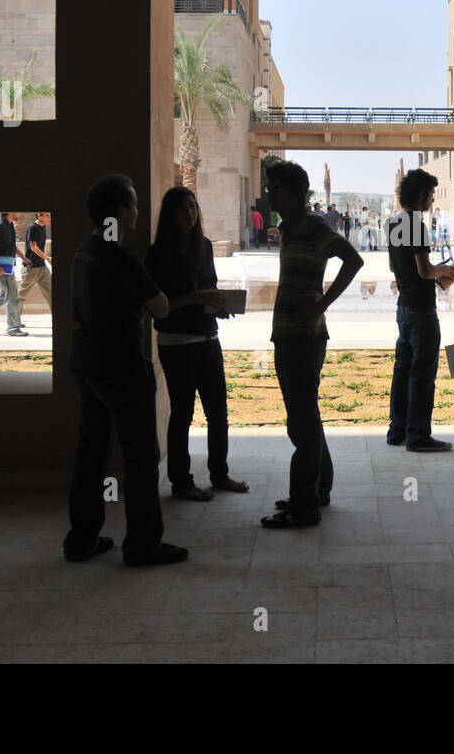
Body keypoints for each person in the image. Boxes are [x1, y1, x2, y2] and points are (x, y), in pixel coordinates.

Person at [64, 173, 186, 566]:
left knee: (91, 451)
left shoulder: (85, 250)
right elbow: (161, 307)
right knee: (140, 455)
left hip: (87, 364)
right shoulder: (121, 258)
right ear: (120, 211)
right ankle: (143, 544)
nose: (136, 212)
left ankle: (81, 538)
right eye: (133, 205)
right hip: (122, 368)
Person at [262, 161, 364, 528]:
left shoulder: (313, 227)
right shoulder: (287, 227)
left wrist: (322, 303)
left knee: (301, 422)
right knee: (306, 416)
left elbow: (353, 260)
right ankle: (318, 489)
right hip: (286, 332)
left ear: (294, 193)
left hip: (304, 336)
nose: (270, 193)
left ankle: (303, 506)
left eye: (275, 188)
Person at [145, 187, 249, 502]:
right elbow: (157, 306)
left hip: (208, 337)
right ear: (170, 214)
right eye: (182, 209)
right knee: (183, 413)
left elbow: (209, 289)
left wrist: (218, 306)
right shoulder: (158, 254)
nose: (189, 213)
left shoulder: (203, 246)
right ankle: (181, 482)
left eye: (193, 207)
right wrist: (194, 299)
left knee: (219, 412)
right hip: (177, 343)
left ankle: (220, 474)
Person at [387, 169, 454, 453]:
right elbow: (425, 269)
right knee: (422, 373)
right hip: (421, 309)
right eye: (430, 194)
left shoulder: (394, 224)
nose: (432, 200)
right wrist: (448, 270)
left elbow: (395, 268)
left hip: (403, 307)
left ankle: (398, 430)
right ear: (421, 195)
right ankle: (418, 435)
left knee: (402, 370)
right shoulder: (416, 226)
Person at [18, 211, 53, 308]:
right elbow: (33, 247)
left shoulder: (43, 227)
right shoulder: (32, 228)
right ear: (39, 215)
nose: (49, 218)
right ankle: (14, 321)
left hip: (42, 267)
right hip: (31, 268)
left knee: (51, 294)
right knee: (20, 297)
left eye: (50, 216)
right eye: (47, 216)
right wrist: (47, 258)